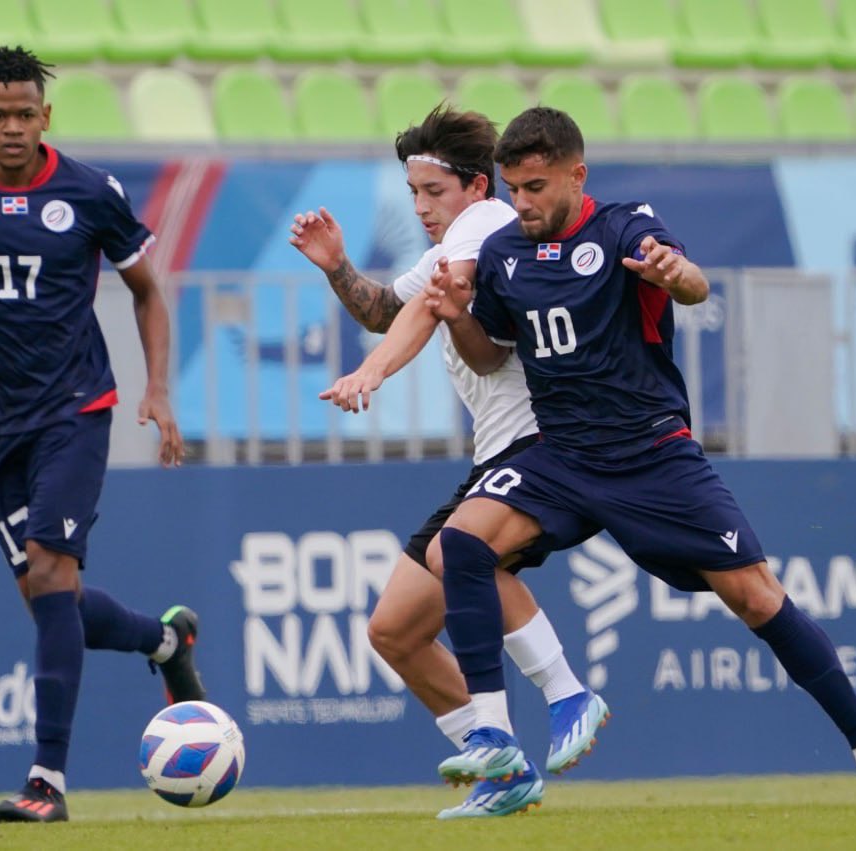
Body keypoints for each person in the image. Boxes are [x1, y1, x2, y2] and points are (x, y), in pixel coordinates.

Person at [422, 106, 856, 812]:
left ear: (577, 174)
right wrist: (457, 318)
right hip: (562, 456)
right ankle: (493, 733)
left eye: (536, 186)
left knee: (755, 595)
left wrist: (675, 270)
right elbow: (491, 353)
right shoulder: (505, 253)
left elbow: (691, 284)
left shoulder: (625, 226)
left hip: (651, 455)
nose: (523, 202)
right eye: (512, 187)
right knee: (461, 543)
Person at [0, 44, 206, 824]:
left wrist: (158, 389)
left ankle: (47, 782)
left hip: (75, 411)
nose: (12, 128)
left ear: (46, 117)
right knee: (47, 596)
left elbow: (147, 293)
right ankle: (165, 642)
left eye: (25, 114)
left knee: (49, 566)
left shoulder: (91, 192)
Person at [289, 105, 607, 819]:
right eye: (413, 195)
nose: (423, 208)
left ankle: (567, 694)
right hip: (495, 453)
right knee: (395, 629)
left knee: (462, 552)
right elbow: (383, 306)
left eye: (433, 192)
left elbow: (423, 314)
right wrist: (339, 266)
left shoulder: (487, 222)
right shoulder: (455, 246)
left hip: (540, 445)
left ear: (474, 185)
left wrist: (371, 373)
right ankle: (507, 772)